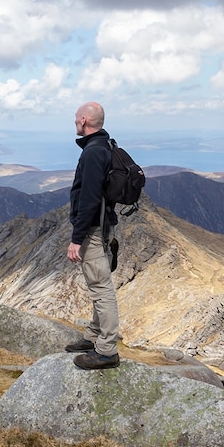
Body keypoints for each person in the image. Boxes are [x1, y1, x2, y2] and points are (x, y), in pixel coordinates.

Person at [64, 102, 121, 370]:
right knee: (99, 284)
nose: (74, 120)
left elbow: (88, 198)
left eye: (76, 117)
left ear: (84, 120)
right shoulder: (103, 146)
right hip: (102, 225)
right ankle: (94, 337)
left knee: (101, 288)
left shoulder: (93, 152)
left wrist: (77, 238)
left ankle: (107, 350)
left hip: (93, 231)